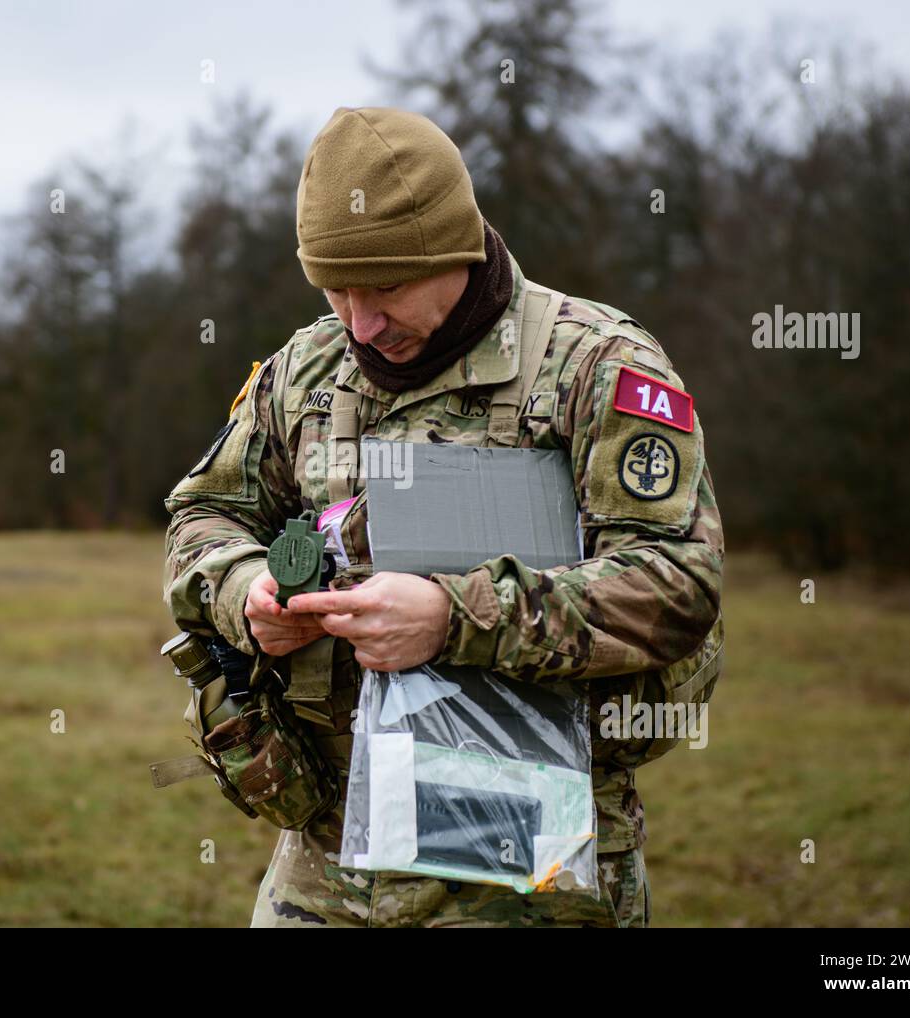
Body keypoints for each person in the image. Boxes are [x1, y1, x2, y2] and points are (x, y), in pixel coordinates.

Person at [162, 106, 724, 927]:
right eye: (335, 287)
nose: (359, 321)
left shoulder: (597, 364)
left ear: (454, 249)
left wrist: (453, 618)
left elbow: (677, 583)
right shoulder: (306, 371)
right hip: (329, 863)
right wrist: (247, 591)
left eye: (384, 286)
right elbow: (202, 513)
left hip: (534, 866)